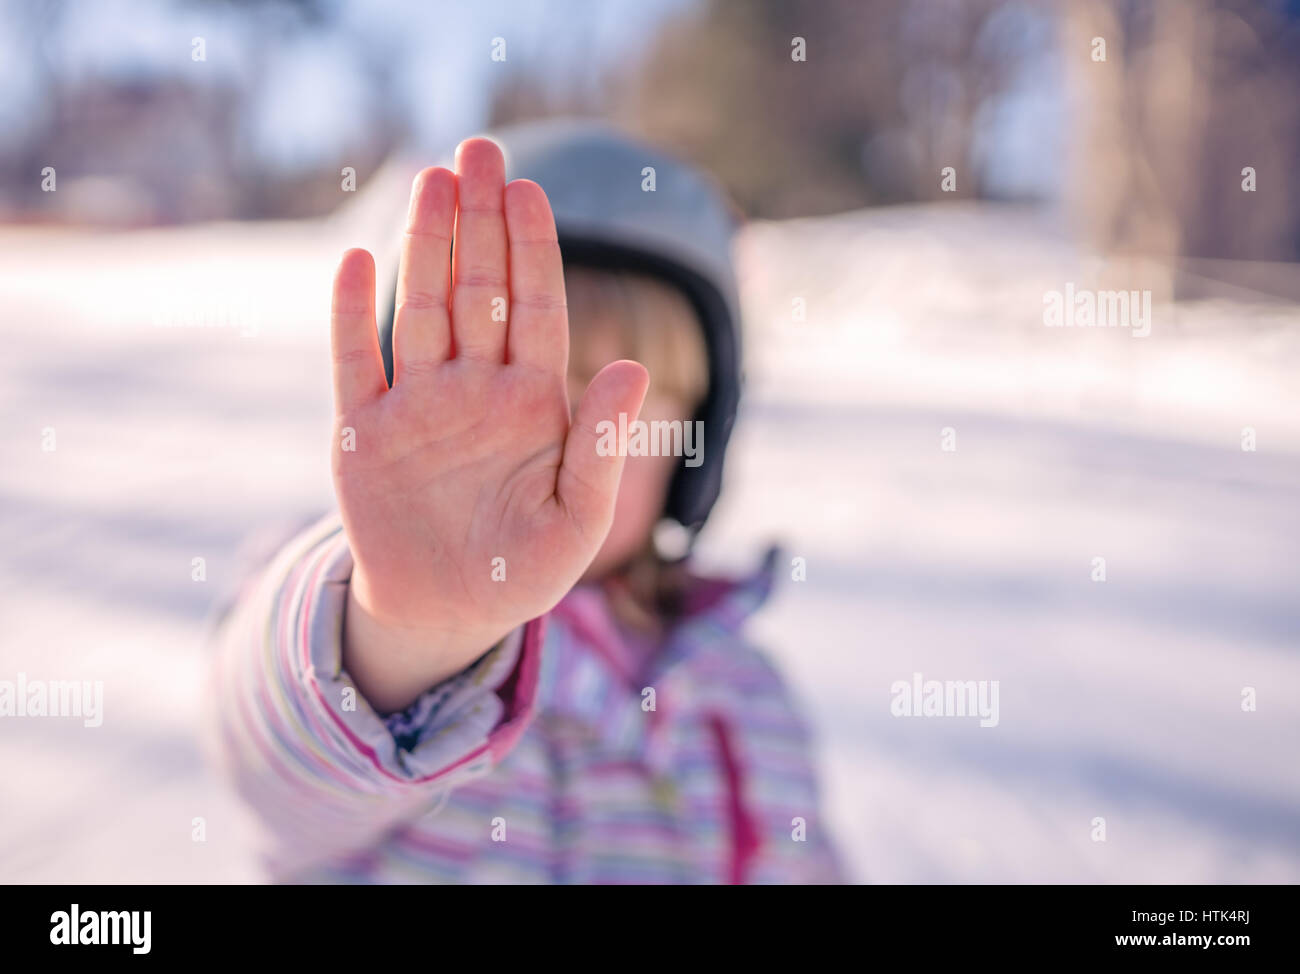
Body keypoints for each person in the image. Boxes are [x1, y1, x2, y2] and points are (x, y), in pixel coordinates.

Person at [202, 120, 845, 883]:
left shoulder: (747, 699)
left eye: (627, 412)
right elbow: (273, 766)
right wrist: (409, 632)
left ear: (693, 448)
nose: (567, 450)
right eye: (518, 403)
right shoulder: (349, 616)